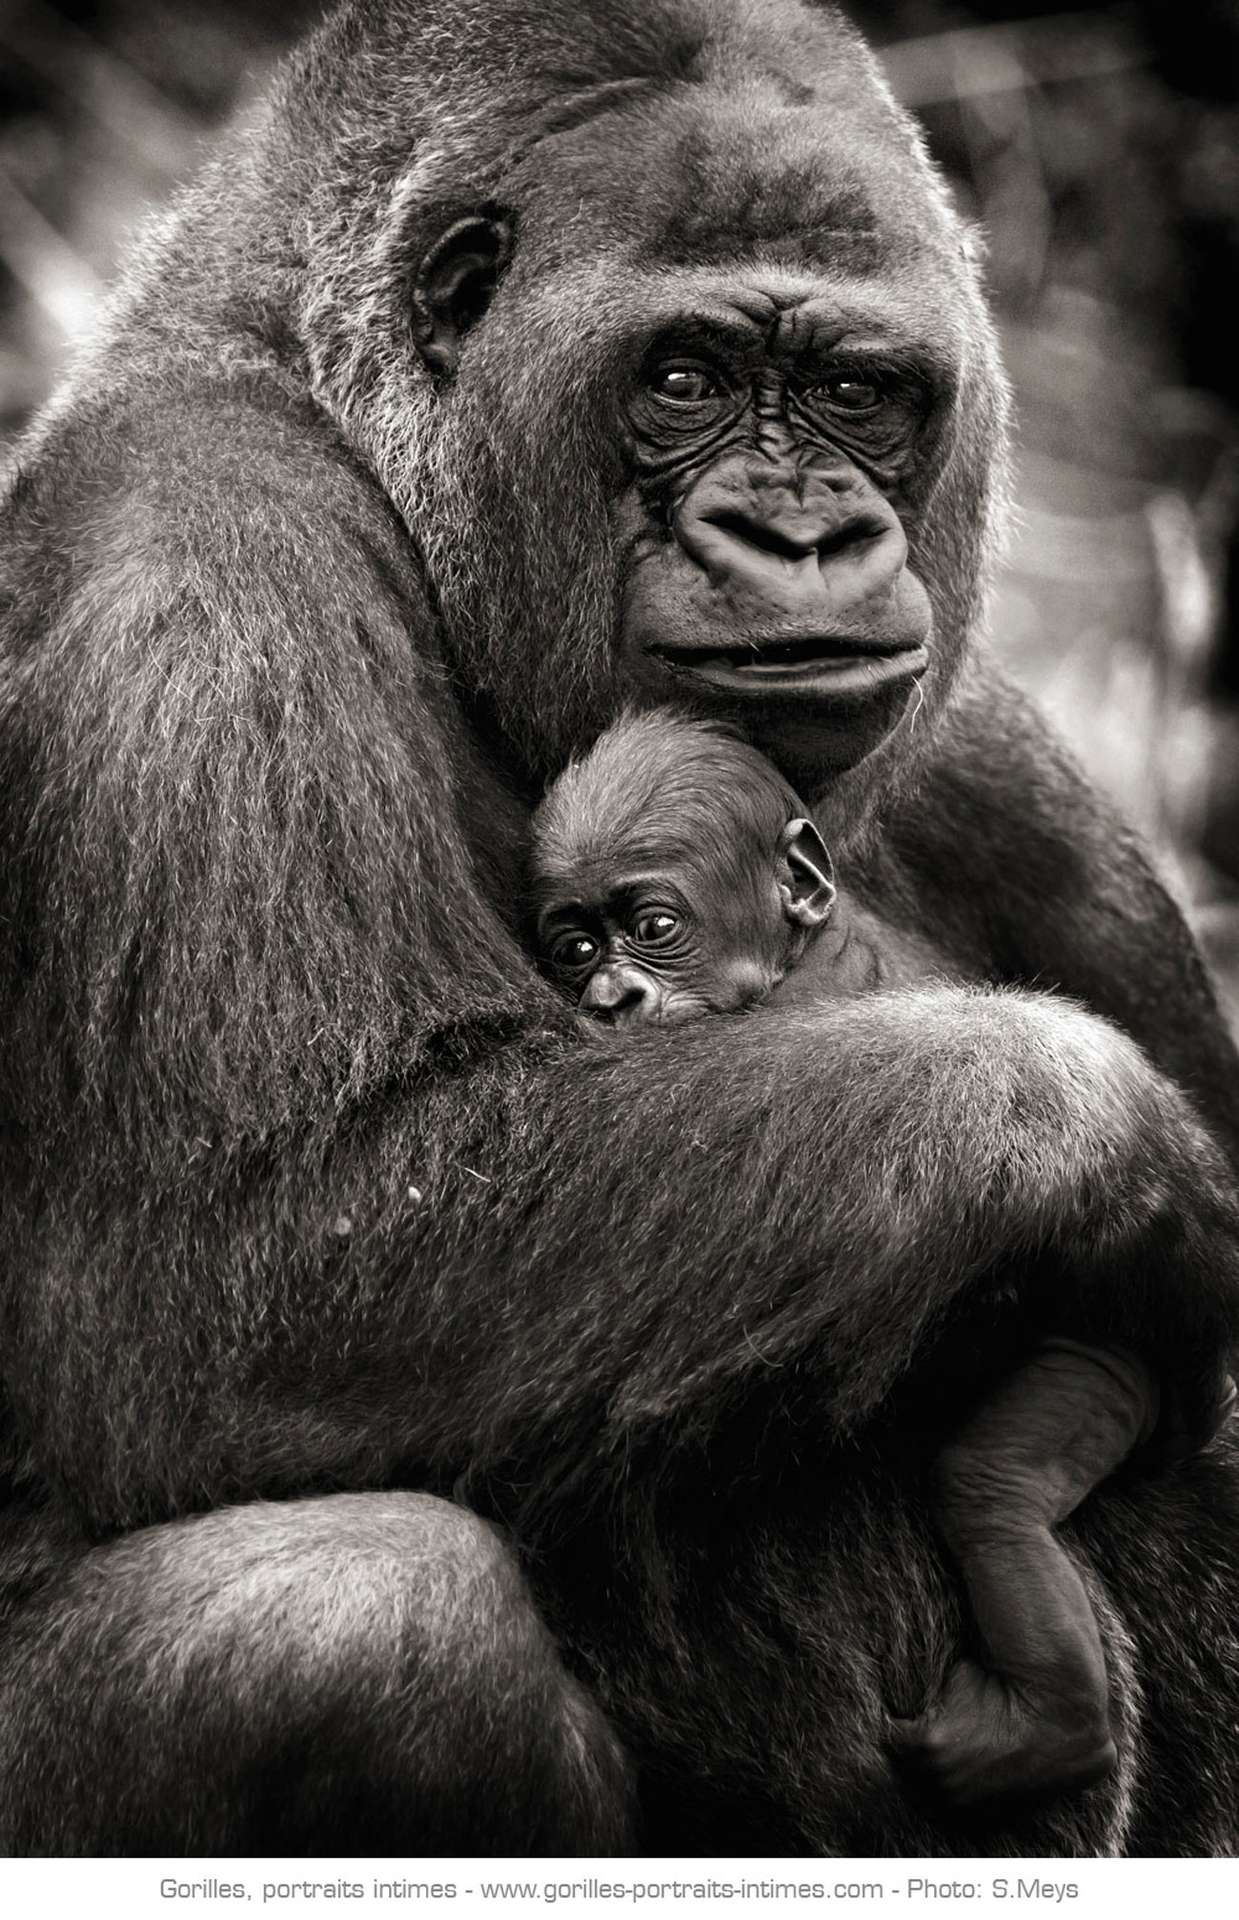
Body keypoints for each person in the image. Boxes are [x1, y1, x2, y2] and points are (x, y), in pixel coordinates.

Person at [528, 706, 1233, 1804]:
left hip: (1108, 1354)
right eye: (578, 951)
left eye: (651, 932)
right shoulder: (768, 978)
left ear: (800, 889)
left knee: (990, 1488)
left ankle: (1060, 1712)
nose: (612, 986)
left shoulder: (851, 1012)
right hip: (1074, 1307)